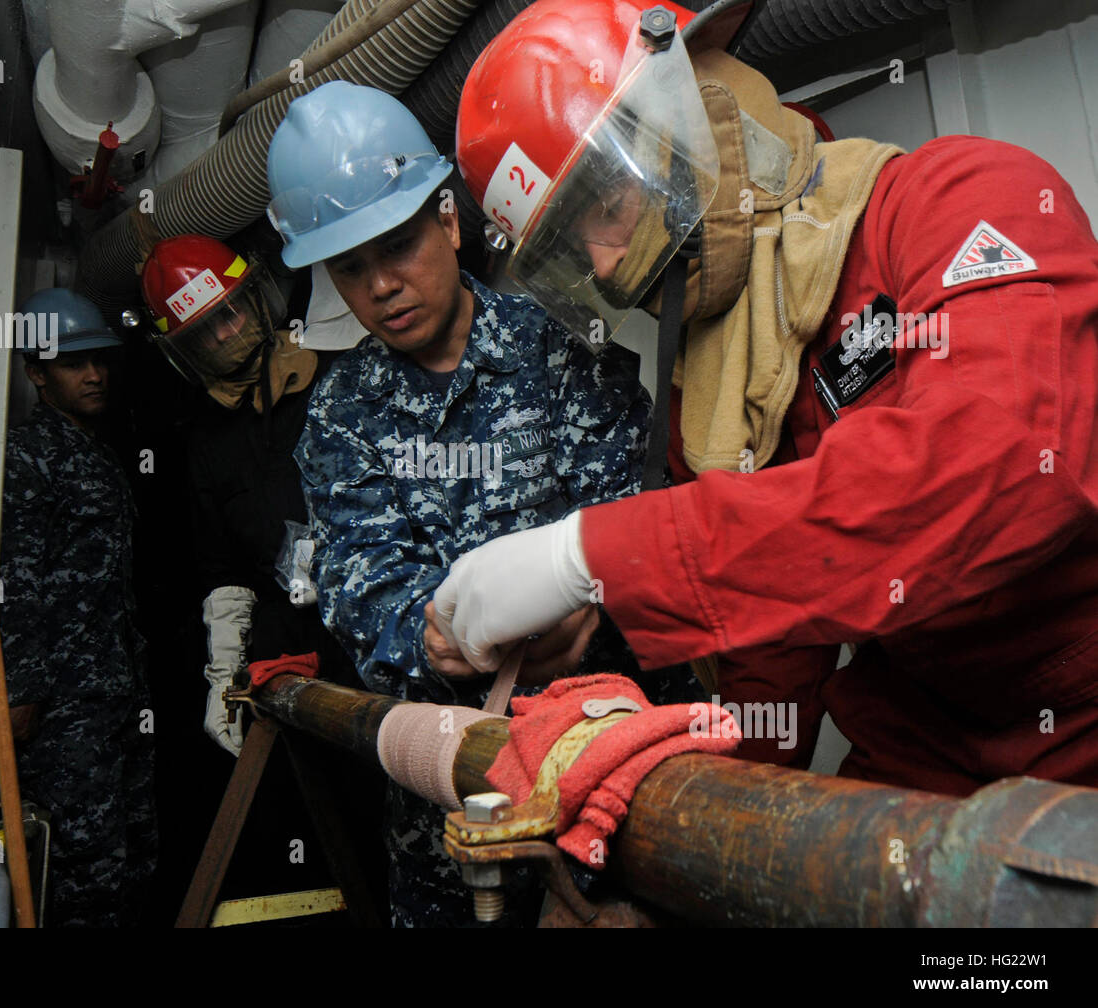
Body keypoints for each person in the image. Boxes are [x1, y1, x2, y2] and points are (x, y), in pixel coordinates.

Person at [435, 0, 1098, 794]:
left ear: (701, 121)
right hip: (925, 741)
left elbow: (1011, 468)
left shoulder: (961, 199)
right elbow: (774, 653)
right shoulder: (714, 398)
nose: (607, 268)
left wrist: (592, 555)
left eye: (604, 205)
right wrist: (695, 805)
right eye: (574, 250)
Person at [267, 81, 658, 926]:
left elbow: (631, 528)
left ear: (448, 222)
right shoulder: (341, 416)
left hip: (597, 781)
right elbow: (363, 590)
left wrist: (586, 611)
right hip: (446, 813)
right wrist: (435, 641)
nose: (380, 286)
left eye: (398, 245)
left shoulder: (561, 347)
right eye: (350, 267)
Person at [138, 235, 388, 914]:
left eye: (232, 311)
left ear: (256, 298)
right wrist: (223, 676)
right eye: (207, 330)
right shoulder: (205, 446)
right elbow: (222, 570)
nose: (229, 331)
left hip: (376, 635)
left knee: (400, 816)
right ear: (185, 351)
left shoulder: (343, 376)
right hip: (292, 659)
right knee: (312, 828)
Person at [0, 287, 156, 927]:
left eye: (98, 360)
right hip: (64, 709)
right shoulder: (27, 457)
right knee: (82, 871)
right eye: (72, 364)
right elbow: (14, 578)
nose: (94, 375)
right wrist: (24, 689)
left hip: (116, 689)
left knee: (133, 857)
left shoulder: (96, 451)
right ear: (37, 375)